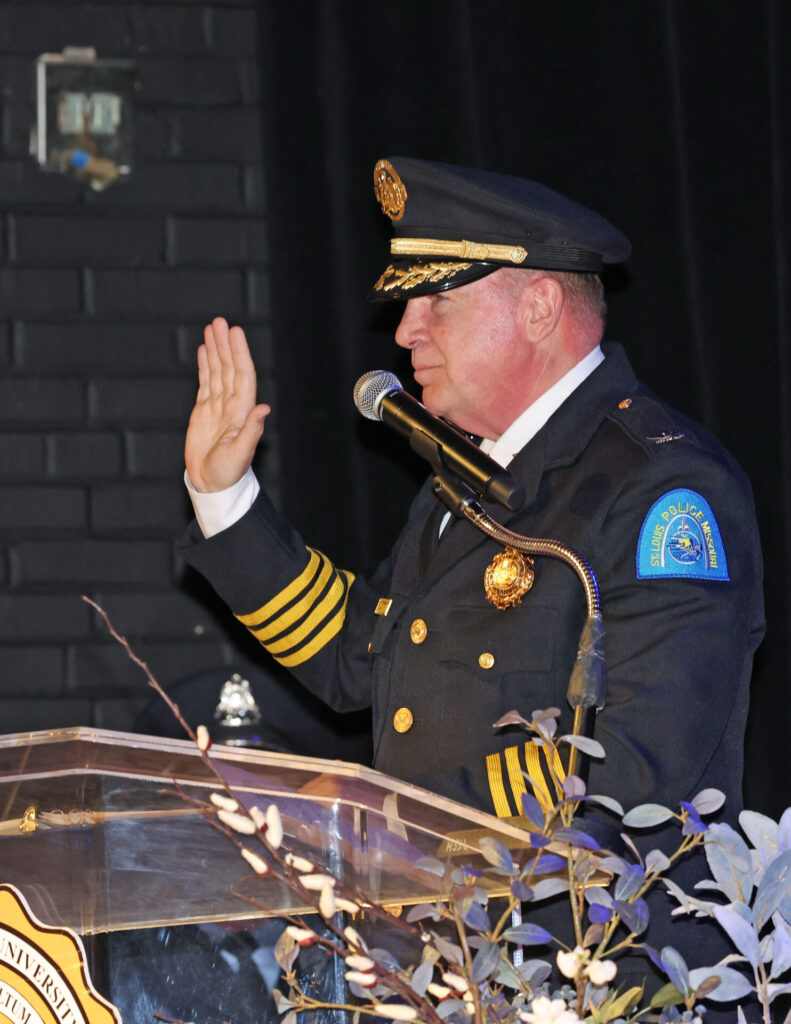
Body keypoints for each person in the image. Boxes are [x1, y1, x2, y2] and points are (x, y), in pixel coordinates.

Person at [180, 158, 764, 1000]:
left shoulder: (663, 491)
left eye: (437, 302)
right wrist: (224, 497)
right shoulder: (471, 478)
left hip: (592, 980)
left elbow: (632, 773)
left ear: (537, 307)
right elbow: (358, 656)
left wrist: (365, 825)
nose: (406, 331)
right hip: (449, 965)